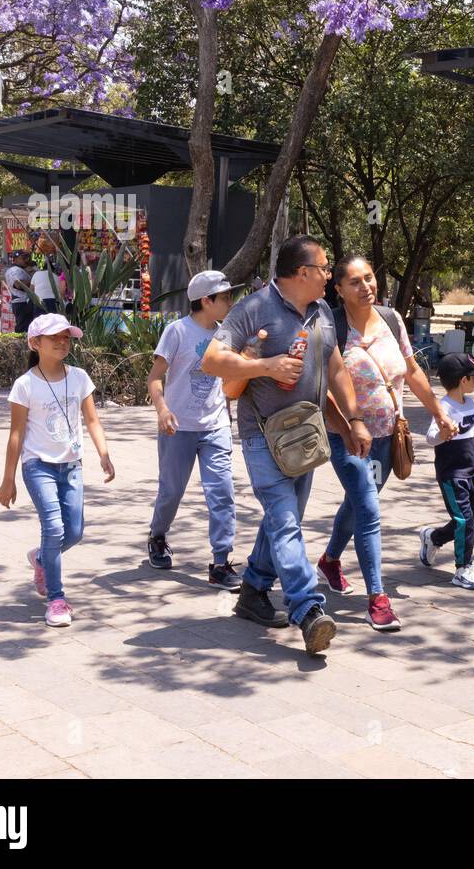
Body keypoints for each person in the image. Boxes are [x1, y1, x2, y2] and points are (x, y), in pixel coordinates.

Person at [201, 235, 368, 657]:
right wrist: (265, 366)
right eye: (325, 269)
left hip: (305, 434)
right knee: (286, 521)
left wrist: (354, 421)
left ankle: (254, 590)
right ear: (302, 273)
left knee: (282, 520)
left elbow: (336, 369)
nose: (329, 276)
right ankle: (308, 610)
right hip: (263, 435)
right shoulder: (254, 308)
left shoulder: (321, 313)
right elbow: (212, 360)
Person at [317, 255, 458, 631]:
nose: (366, 286)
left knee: (359, 502)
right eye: (355, 282)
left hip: (386, 436)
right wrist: (350, 426)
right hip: (346, 436)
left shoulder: (392, 320)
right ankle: (378, 599)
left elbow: (411, 371)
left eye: (369, 278)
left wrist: (439, 412)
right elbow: (321, 387)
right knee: (368, 509)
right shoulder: (331, 325)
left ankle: (330, 560)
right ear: (339, 289)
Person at [0, 314, 115, 628]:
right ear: (35, 344)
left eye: (67, 337)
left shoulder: (79, 378)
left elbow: (92, 421)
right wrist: (8, 480)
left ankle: (41, 558)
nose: (63, 342)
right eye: (54, 338)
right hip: (38, 466)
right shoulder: (25, 385)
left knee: (74, 531)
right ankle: (56, 599)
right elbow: (16, 434)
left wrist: (104, 454)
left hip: (72, 465)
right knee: (54, 529)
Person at [145, 270, 240, 589]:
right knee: (171, 491)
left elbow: (229, 377)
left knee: (222, 492)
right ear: (206, 300)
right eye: (225, 297)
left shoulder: (226, 333)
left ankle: (220, 561)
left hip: (215, 426)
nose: (230, 302)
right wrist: (162, 409)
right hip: (177, 427)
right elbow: (154, 377)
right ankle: (158, 536)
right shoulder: (176, 331)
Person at [419, 353, 474, 590]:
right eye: (473, 377)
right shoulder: (443, 408)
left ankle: (433, 538)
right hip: (452, 475)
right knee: (464, 521)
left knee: (466, 522)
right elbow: (429, 438)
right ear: (462, 380)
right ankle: (463, 569)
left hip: (473, 473)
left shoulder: (471, 405)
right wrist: (443, 434)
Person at [4, 252, 34, 334]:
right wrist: (34, 282)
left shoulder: (19, 269)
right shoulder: (14, 270)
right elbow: (18, 285)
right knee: (23, 328)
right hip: (22, 303)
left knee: (26, 327)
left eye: (27, 257)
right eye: (23, 258)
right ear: (16, 259)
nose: (27, 260)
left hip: (23, 302)